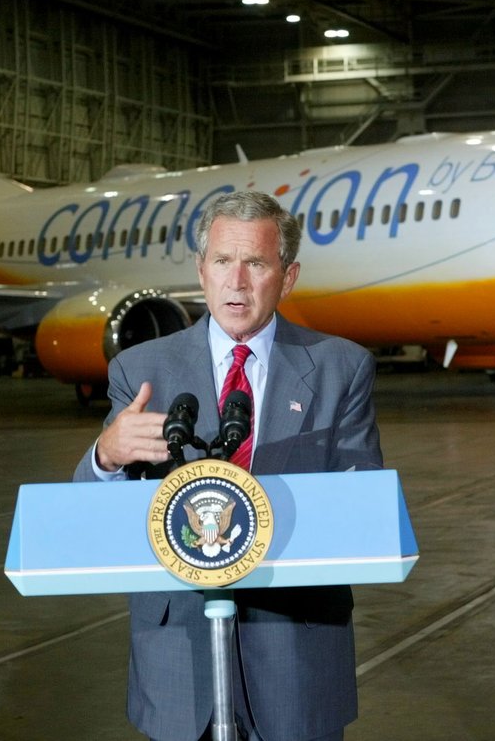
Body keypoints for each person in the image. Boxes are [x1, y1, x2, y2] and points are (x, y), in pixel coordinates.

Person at [73, 190, 382, 741]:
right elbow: (91, 514)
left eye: (256, 263)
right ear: (201, 269)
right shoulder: (139, 368)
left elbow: (359, 512)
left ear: (287, 277)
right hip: (178, 655)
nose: (236, 281)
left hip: (297, 652)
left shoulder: (342, 368)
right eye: (222, 261)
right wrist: (106, 456)